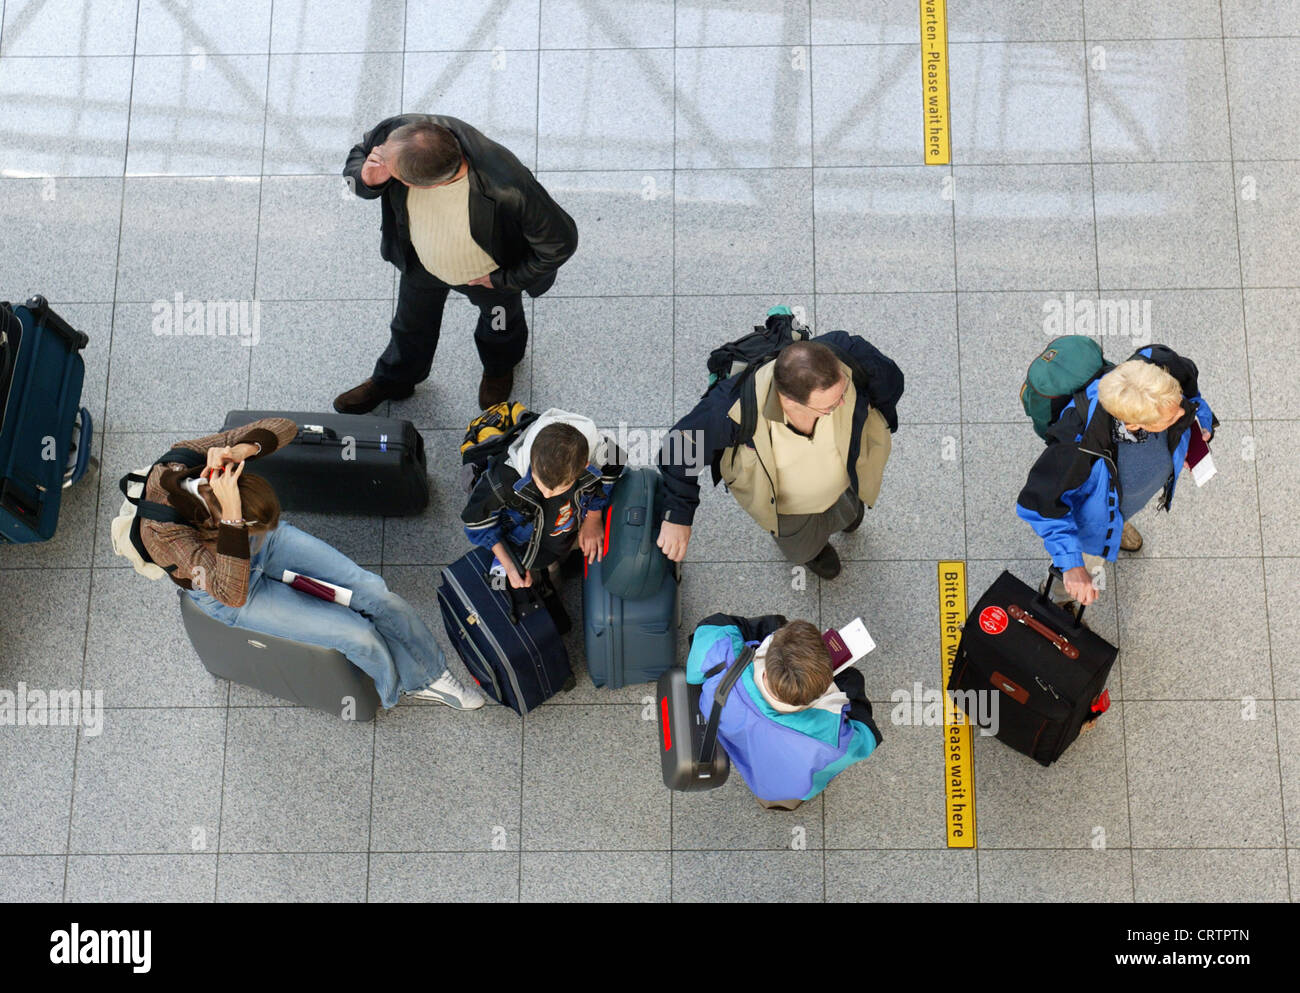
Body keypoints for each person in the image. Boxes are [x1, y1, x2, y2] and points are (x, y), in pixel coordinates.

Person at [140, 417, 483, 711]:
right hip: (231, 588)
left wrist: (243, 448)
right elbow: (229, 591)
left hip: (262, 545)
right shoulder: (164, 533)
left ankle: (429, 676)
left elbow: (286, 428)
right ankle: (397, 687)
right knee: (357, 633)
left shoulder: (190, 458)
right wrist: (233, 519)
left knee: (373, 593)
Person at [336, 114, 579, 414]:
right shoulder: (400, 135)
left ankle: (498, 369)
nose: (380, 158)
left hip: (486, 273)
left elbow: (560, 243)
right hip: (422, 262)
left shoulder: (509, 185)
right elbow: (358, 158)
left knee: (500, 325)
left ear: (420, 185)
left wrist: (504, 280)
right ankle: (394, 379)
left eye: (390, 169)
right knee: (409, 325)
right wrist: (367, 179)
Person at [656, 329, 903, 580]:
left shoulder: (844, 353)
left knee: (848, 508)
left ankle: (846, 516)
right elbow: (678, 448)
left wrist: (878, 418)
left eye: (843, 391)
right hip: (790, 510)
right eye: (830, 405)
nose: (842, 403)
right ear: (790, 401)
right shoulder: (732, 408)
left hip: (845, 480)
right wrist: (677, 516)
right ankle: (813, 552)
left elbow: (891, 379)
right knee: (801, 546)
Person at [1016, 345, 1217, 605]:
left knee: (1117, 503)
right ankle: (1060, 599)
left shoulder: (1158, 365)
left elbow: (1192, 399)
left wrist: (1201, 418)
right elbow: (1039, 506)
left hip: (1118, 499)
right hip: (1088, 525)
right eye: (1168, 420)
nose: (1182, 414)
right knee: (1084, 565)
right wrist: (1071, 566)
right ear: (1132, 425)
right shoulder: (1076, 448)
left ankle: (1115, 522)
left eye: (1178, 404)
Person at [687, 614, 881, 810]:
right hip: (776, 790)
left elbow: (708, 632)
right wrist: (850, 683)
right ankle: (775, 804)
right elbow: (867, 736)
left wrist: (776, 628)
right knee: (786, 793)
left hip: (728, 728)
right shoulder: (834, 740)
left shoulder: (720, 657)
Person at [462, 409, 623, 590]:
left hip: (565, 528)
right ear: (532, 457)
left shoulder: (598, 451)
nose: (546, 494)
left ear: (585, 466)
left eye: (559, 488)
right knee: (548, 574)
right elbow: (476, 522)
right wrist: (508, 563)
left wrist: (593, 517)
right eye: (540, 483)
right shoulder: (503, 480)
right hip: (529, 543)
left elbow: (616, 460)